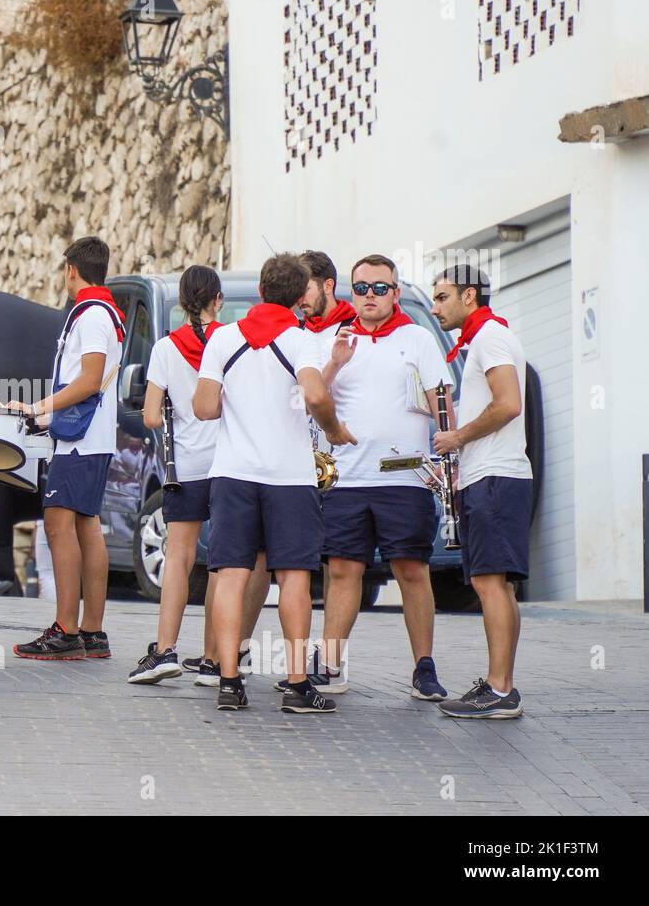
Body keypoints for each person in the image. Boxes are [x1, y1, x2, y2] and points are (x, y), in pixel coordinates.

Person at [193, 253, 355, 713]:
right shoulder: (301, 340)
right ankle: (298, 684)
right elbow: (316, 392)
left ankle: (228, 681)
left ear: (260, 291)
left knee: (230, 577)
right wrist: (332, 428)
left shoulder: (223, 338)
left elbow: (204, 408)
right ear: (303, 295)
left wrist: (241, 400)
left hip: (232, 473)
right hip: (288, 477)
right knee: (294, 578)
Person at [303, 253, 453, 700]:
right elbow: (309, 400)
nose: (370, 296)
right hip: (346, 478)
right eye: (362, 288)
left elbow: (440, 396)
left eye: (380, 288)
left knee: (411, 569)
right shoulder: (334, 339)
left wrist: (450, 452)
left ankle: (424, 667)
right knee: (344, 570)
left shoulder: (418, 338)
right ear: (350, 292)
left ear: (395, 292)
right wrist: (335, 363)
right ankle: (330, 665)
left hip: (404, 479)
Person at [9, 236, 123, 660]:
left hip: (80, 440)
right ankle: (91, 631)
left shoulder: (92, 314)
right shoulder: (106, 311)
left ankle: (66, 629)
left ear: (72, 270)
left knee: (58, 525)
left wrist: (42, 407)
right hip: (95, 436)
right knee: (86, 526)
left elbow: (89, 380)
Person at [430, 264, 531, 719]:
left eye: (442, 297)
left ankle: (499, 689)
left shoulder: (489, 336)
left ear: (469, 296)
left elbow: (509, 403)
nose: (435, 308)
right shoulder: (486, 338)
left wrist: (458, 437)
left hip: (494, 476)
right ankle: (500, 685)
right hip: (491, 475)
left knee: (489, 583)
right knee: (497, 585)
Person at [129, 265, 223, 684]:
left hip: (183, 467)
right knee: (223, 564)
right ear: (217, 300)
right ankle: (213, 659)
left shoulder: (166, 348)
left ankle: (165, 649)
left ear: (184, 302)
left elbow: (150, 416)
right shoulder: (230, 340)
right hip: (228, 466)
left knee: (179, 559)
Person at [297, 250, 356, 333]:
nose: (299, 298)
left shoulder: (356, 329)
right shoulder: (296, 332)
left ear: (328, 286)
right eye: (296, 291)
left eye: (305, 289)